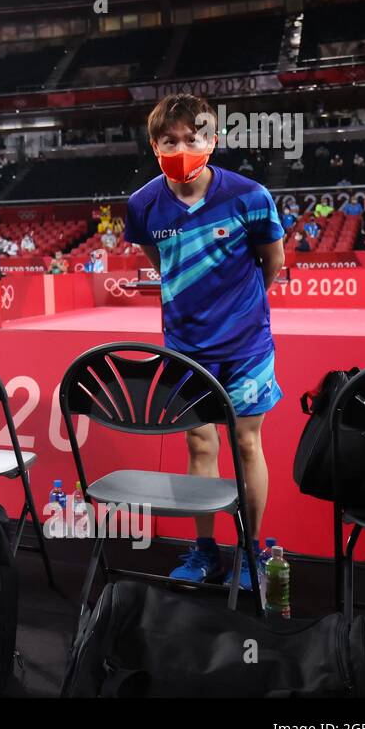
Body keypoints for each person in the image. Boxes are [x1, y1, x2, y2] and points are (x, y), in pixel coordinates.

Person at [124, 93, 284, 591]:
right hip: (186, 347)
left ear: (212, 141)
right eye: (169, 140)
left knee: (245, 442)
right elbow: (158, 259)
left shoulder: (250, 196)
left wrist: (241, 311)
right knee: (199, 443)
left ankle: (252, 552)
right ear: (155, 146)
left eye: (193, 138)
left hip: (245, 346)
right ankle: (205, 550)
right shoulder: (143, 203)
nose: (182, 147)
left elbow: (271, 262)